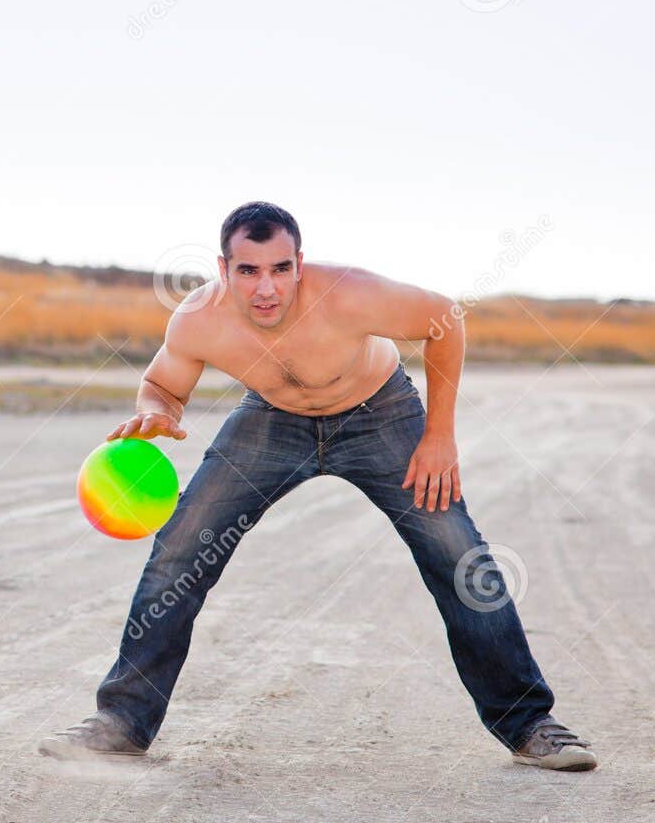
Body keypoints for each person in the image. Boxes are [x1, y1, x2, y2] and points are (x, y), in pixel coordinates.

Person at [39, 202, 595, 771]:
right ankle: (124, 721)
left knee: (457, 552)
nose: (266, 288)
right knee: (181, 547)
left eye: (280, 269)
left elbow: (445, 321)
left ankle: (530, 724)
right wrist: (158, 411)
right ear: (223, 269)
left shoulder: (349, 293)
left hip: (379, 413)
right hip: (271, 420)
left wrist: (439, 436)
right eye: (248, 271)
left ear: (299, 264)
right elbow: (162, 383)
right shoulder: (198, 319)